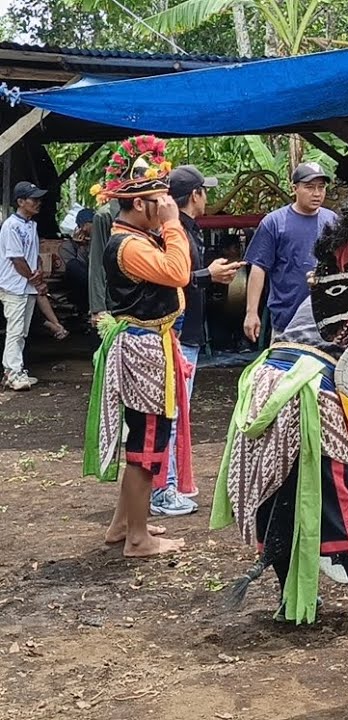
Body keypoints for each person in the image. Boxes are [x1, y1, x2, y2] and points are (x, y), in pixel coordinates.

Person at [212, 294, 348, 630]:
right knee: (340, 498)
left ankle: (290, 596)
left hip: (268, 381)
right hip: (308, 391)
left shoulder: (335, 282)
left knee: (277, 490)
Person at [82, 135, 189, 558]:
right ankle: (139, 539)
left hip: (147, 344)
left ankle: (124, 525)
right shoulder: (129, 245)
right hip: (144, 350)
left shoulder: (134, 239)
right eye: (160, 200)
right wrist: (174, 224)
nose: (166, 206)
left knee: (145, 440)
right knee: (146, 444)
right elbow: (177, 272)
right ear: (141, 204)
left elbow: (168, 278)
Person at [149, 165, 244, 516]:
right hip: (176, 331)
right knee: (171, 413)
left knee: (177, 413)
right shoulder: (173, 231)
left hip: (185, 332)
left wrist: (209, 276)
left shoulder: (187, 229)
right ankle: (163, 489)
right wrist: (207, 275)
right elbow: (171, 277)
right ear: (194, 195)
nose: (208, 198)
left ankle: (170, 484)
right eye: (206, 191)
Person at [244, 162, 337, 342]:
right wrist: (251, 312)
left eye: (321, 187)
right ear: (294, 189)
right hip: (286, 319)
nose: (317, 193)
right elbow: (259, 268)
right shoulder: (274, 222)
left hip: (325, 319)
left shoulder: (332, 221)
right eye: (309, 187)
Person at [0, 181, 48, 391]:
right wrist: (34, 278)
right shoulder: (11, 226)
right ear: (20, 202)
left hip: (26, 285)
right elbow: (16, 259)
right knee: (16, 330)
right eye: (33, 199)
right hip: (14, 285)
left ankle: (14, 370)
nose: (38, 203)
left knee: (22, 331)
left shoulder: (31, 225)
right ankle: (13, 372)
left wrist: (38, 270)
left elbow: (33, 254)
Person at [57, 208, 93, 316]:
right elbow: (78, 269)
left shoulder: (100, 239)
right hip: (83, 284)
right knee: (74, 266)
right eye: (83, 225)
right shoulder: (68, 246)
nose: (85, 229)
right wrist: (82, 247)